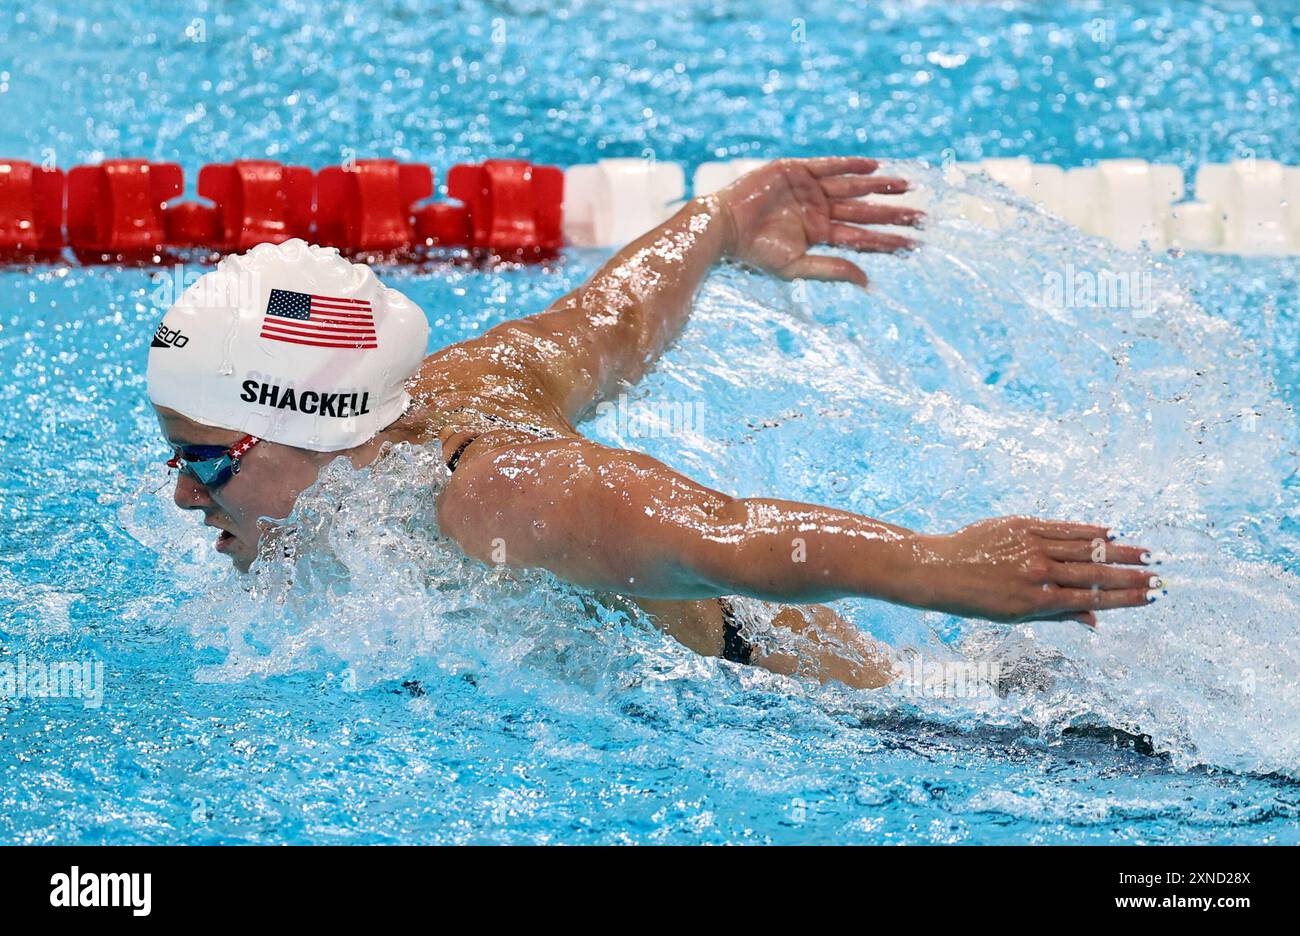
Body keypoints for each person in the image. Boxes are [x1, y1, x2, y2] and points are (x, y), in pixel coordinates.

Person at [148, 157, 1160, 690]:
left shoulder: (496, 491)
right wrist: (720, 221)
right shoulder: (460, 385)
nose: (184, 492)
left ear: (314, 429)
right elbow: (601, 321)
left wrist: (940, 568)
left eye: (203, 460)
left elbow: (726, 534)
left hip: (847, 715)